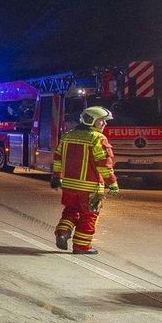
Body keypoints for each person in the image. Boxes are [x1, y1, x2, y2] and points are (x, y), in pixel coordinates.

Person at [52, 106, 118, 254]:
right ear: (92, 121)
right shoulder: (97, 138)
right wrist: (112, 184)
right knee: (89, 216)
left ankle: (62, 232)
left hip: (69, 186)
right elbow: (104, 165)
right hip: (91, 188)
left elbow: (57, 158)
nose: (104, 124)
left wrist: (57, 176)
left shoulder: (67, 136)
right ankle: (81, 246)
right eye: (102, 121)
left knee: (70, 210)